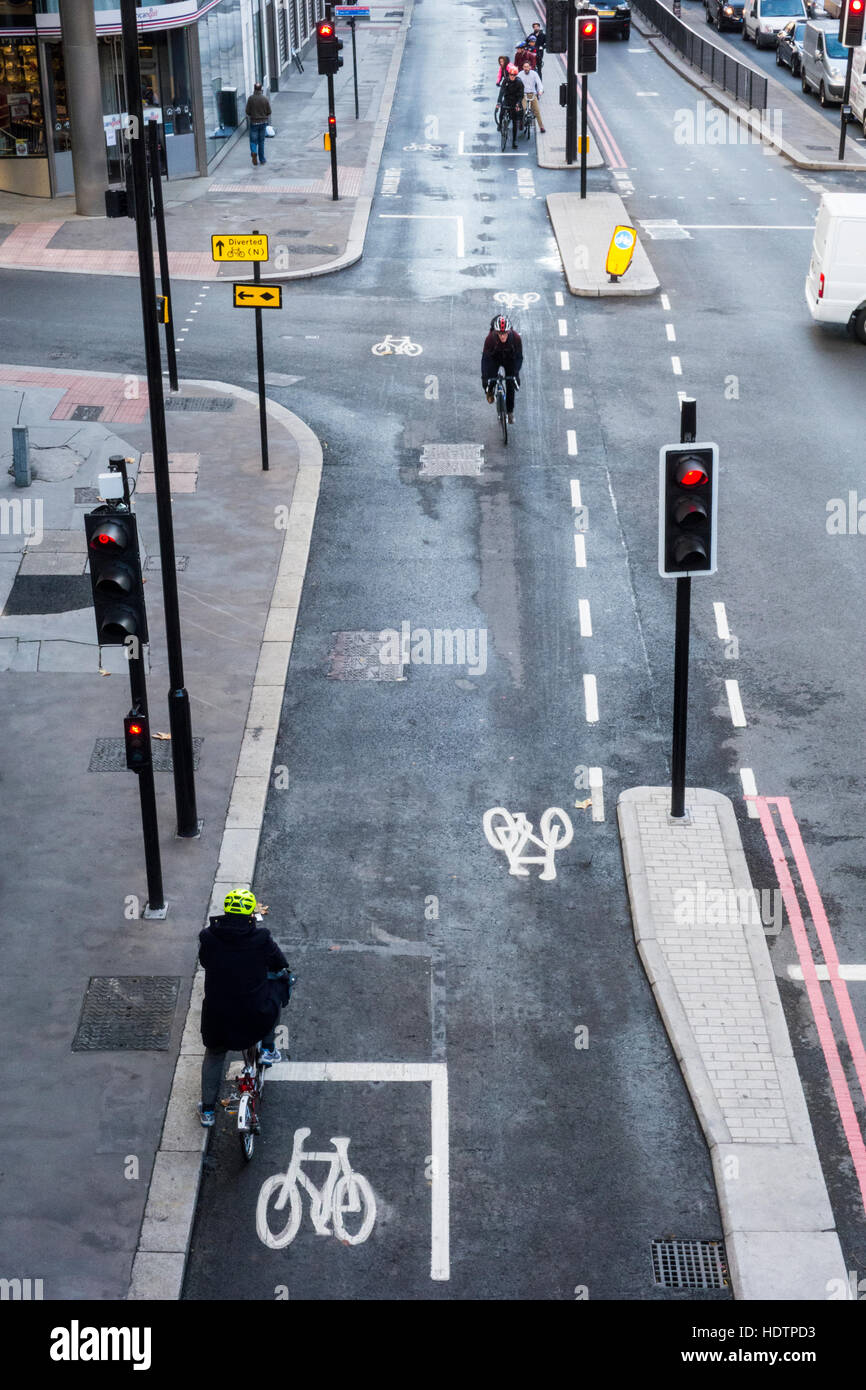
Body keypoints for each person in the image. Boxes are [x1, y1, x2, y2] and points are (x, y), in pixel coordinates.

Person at [197, 889, 292, 1126]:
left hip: (217, 1018)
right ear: (251, 913)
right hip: (253, 1016)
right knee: (278, 987)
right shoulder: (261, 939)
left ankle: (208, 1111)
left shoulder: (208, 937)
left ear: (226, 912)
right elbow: (280, 963)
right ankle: (269, 1048)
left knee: (214, 1055)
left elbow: (206, 962)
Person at [482, 314, 523, 424]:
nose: (503, 336)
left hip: (510, 359)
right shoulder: (490, 339)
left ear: (509, 332)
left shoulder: (516, 338)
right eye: (500, 333)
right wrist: (485, 378)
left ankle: (510, 412)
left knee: (511, 384)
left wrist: (515, 373)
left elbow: (519, 358)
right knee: (490, 379)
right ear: (496, 332)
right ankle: (490, 391)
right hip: (494, 358)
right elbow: (485, 360)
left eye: (505, 333)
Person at [245, 82, 271, 166]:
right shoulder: (265, 99)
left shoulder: (250, 99)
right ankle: (262, 159)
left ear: (254, 89)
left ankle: (253, 152)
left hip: (254, 122)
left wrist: (253, 115)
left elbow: (247, 111)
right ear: (261, 89)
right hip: (263, 123)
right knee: (261, 141)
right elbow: (269, 111)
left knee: (253, 140)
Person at [499, 65, 525, 149]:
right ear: (509, 74)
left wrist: (518, 104)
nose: (512, 76)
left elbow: (521, 95)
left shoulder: (519, 83)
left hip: (515, 101)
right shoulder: (505, 81)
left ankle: (514, 141)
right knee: (501, 112)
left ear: (516, 75)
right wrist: (498, 101)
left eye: (514, 75)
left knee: (515, 121)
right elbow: (501, 91)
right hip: (507, 99)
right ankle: (500, 124)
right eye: (511, 75)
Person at [520, 59, 545, 133]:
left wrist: (540, 91)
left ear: (530, 67)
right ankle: (521, 122)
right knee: (523, 109)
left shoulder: (534, 74)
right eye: (524, 67)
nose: (526, 68)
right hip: (524, 94)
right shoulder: (520, 74)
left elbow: (539, 83)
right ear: (523, 67)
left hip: (533, 94)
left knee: (537, 111)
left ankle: (541, 127)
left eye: (527, 67)